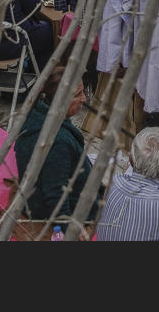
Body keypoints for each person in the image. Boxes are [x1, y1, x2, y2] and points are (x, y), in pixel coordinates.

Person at [12, 62, 98, 232]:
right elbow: (55, 195)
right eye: (78, 94)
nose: (84, 99)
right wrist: (71, 229)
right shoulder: (58, 142)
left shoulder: (37, 112)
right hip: (49, 211)